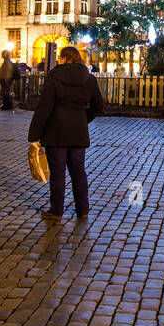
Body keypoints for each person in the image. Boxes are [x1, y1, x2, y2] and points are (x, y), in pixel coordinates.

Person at [29, 45, 104, 220]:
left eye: (60, 58)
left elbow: (44, 109)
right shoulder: (89, 79)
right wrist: (84, 119)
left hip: (56, 131)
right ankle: (83, 210)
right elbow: (98, 106)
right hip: (78, 131)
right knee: (78, 171)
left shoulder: (54, 78)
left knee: (58, 173)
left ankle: (56, 210)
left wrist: (34, 135)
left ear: (65, 59)